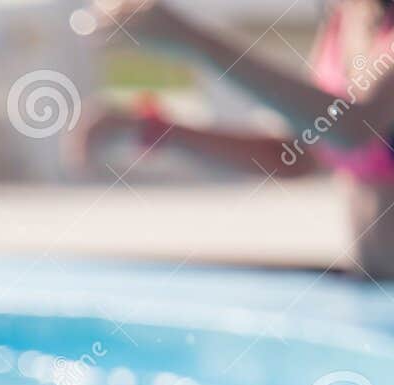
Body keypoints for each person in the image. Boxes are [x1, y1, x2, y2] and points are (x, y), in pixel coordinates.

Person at [80, 0, 394, 277]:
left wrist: (192, 40)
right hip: (371, 288)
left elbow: (354, 127)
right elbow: (296, 153)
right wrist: (160, 132)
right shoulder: (346, 15)